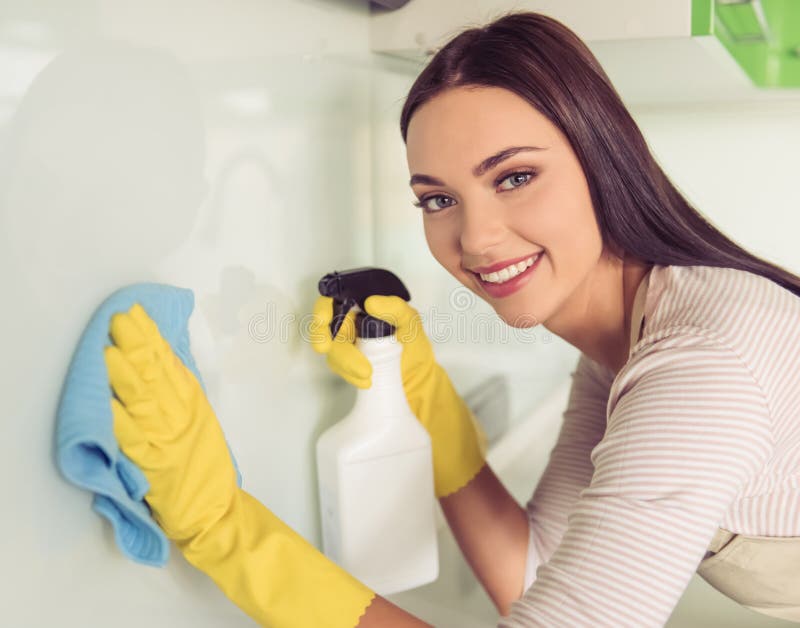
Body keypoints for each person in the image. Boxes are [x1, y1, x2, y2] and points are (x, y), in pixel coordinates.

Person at [105, 10, 800, 628]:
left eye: (514, 177)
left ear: (601, 157)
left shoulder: (701, 366)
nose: (476, 238)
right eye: (438, 200)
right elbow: (531, 573)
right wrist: (428, 407)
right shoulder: (617, 346)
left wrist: (227, 530)